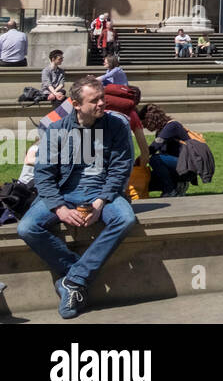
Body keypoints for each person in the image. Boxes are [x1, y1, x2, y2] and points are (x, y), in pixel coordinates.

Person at [18, 76, 135, 318]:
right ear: (76, 104)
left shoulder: (116, 126)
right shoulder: (57, 130)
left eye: (102, 98)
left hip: (102, 193)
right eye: (95, 100)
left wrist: (101, 202)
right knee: (27, 228)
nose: (102, 103)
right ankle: (76, 274)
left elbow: (120, 169)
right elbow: (44, 174)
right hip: (63, 191)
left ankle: (71, 282)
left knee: (125, 219)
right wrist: (59, 207)